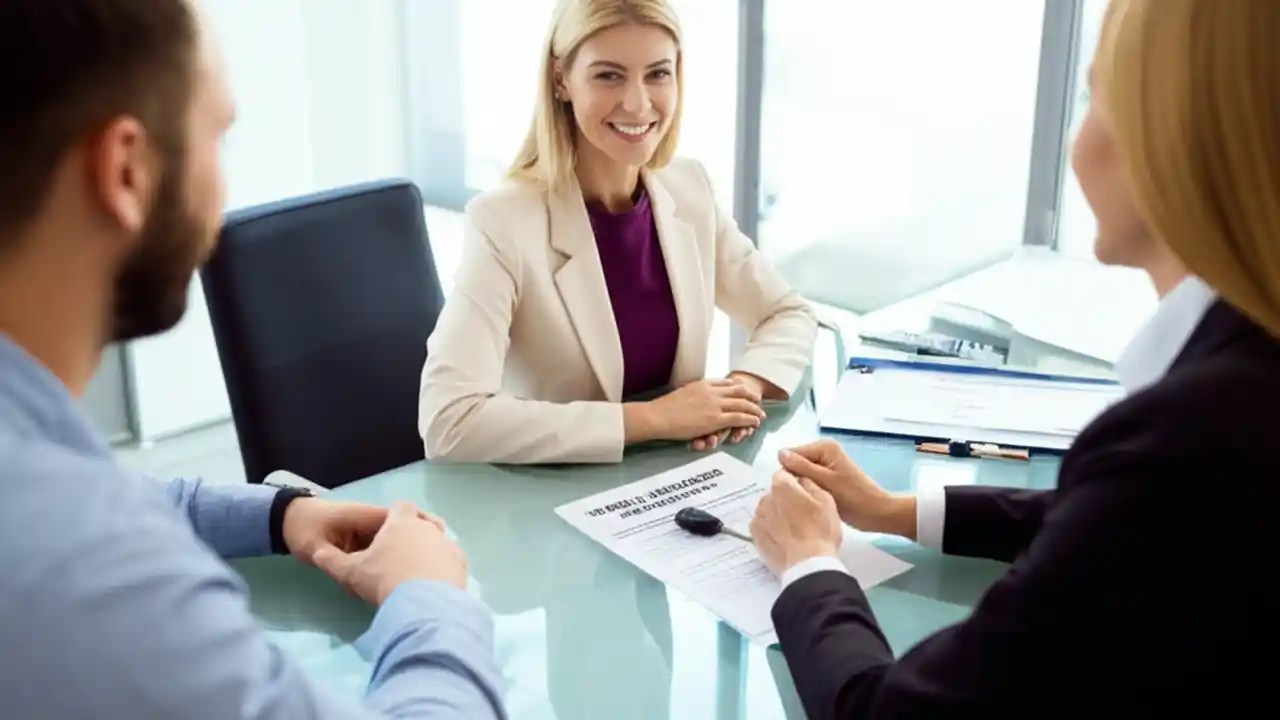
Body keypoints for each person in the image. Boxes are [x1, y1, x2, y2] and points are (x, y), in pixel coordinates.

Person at [749, 0, 1280, 716]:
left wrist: (808, 563)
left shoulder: (1188, 438)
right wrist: (897, 510)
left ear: (1171, 139)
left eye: (1096, 98)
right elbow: (1112, 524)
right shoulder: (1240, 384)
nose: (1074, 139)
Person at [0, 2, 504, 717]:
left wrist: (281, 515)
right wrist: (429, 599)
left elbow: (110, 494)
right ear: (126, 171)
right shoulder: (90, 576)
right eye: (218, 139)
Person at [417, 0, 817, 465]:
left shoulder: (689, 189)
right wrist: (654, 419)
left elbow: (787, 312)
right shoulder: (504, 222)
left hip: (675, 483)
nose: (638, 103)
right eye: (609, 75)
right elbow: (448, 420)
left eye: (657, 74)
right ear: (561, 79)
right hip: (548, 501)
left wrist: (740, 390)